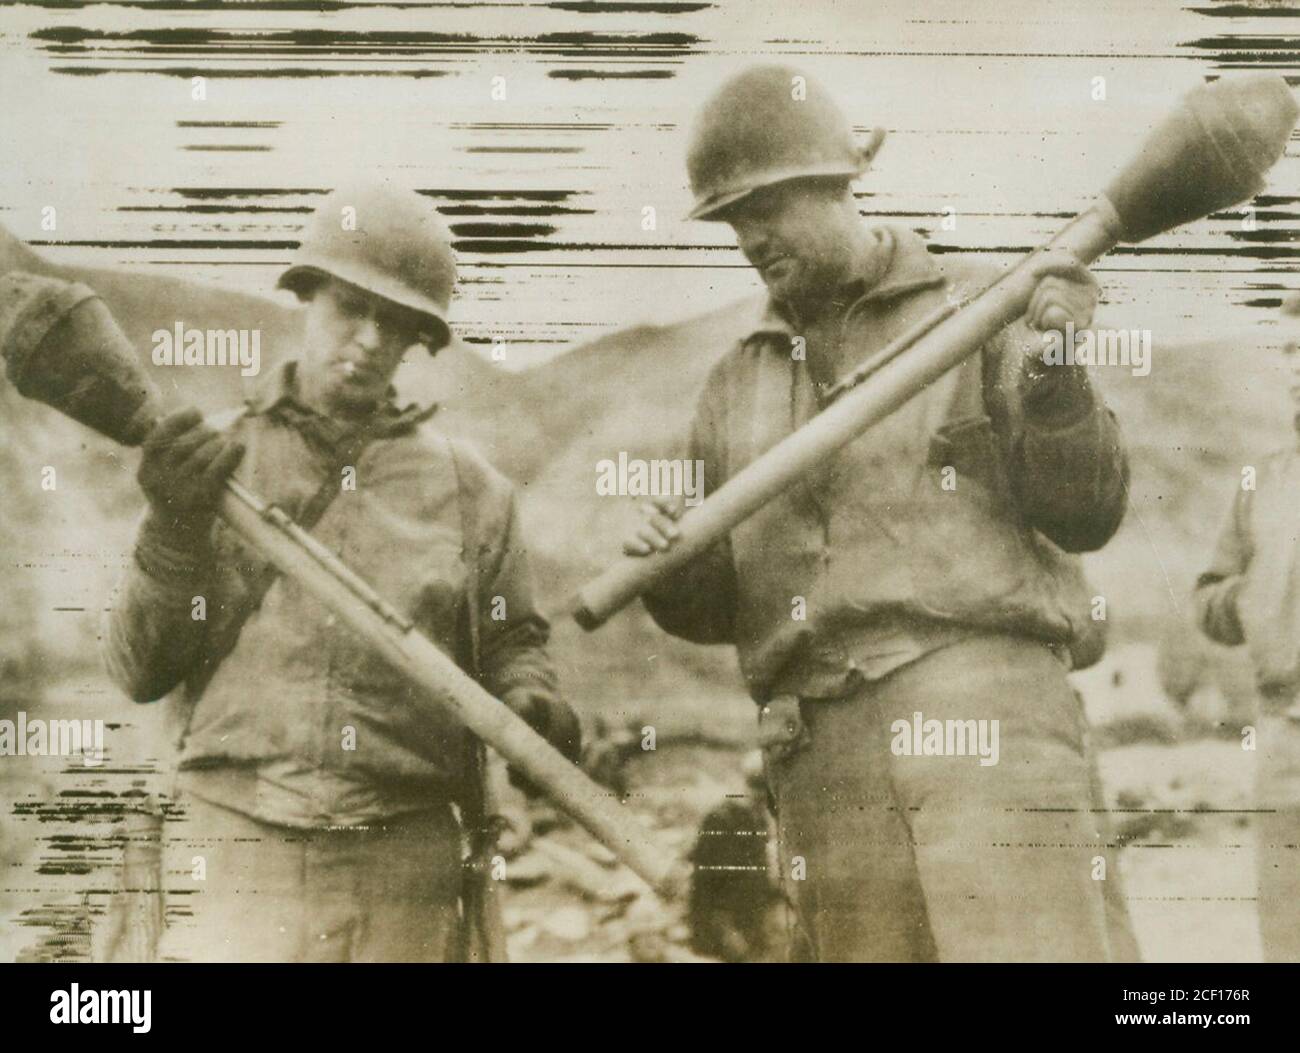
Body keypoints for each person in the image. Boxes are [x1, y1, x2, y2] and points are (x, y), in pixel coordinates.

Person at [624, 65, 1133, 961]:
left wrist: (1056, 383)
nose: (750, 237)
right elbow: (719, 605)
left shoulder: (985, 307)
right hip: (823, 757)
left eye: (767, 206)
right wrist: (674, 568)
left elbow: (1088, 512)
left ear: (837, 181)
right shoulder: (734, 381)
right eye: (733, 218)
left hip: (987, 724)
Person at [102, 182, 579, 962]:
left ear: (417, 342)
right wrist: (170, 531)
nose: (366, 339)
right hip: (236, 849)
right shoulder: (210, 463)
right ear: (306, 297)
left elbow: (512, 644)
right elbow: (137, 669)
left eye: (393, 324)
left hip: (402, 865)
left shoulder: (471, 491)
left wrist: (532, 699)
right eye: (348, 308)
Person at [1194, 291, 1300, 963]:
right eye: (1293, 349)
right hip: (1285, 738)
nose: (1298, 366)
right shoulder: (1266, 475)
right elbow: (1208, 597)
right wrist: (1253, 600)